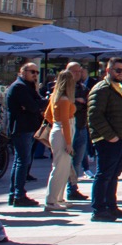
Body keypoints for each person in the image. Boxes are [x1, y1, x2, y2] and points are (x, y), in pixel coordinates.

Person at [87, 58, 122, 222]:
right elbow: (94, 116)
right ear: (108, 70)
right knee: (104, 175)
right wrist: (110, 136)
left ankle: (111, 206)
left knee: (114, 174)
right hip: (108, 140)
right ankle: (99, 209)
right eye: (118, 70)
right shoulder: (102, 89)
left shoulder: (120, 87)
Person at [5, 61, 45, 207]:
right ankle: (18, 195)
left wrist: (36, 104)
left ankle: (14, 193)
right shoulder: (19, 87)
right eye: (32, 71)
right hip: (21, 129)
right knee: (22, 161)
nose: (35, 74)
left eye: (36, 72)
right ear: (22, 72)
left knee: (20, 161)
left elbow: (38, 103)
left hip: (26, 128)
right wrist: (36, 105)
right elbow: (34, 106)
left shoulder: (28, 87)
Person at [43, 69, 78, 212]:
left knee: (62, 168)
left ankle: (57, 198)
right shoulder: (64, 99)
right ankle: (51, 200)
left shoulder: (55, 96)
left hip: (58, 130)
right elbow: (64, 122)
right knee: (59, 168)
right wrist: (68, 143)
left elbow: (47, 115)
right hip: (63, 132)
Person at [66, 62, 91, 201]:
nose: (78, 74)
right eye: (75, 71)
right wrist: (76, 101)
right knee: (64, 161)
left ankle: (72, 188)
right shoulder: (62, 87)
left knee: (77, 160)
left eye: (79, 71)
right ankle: (60, 190)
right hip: (68, 127)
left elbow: (87, 102)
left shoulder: (82, 87)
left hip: (81, 126)